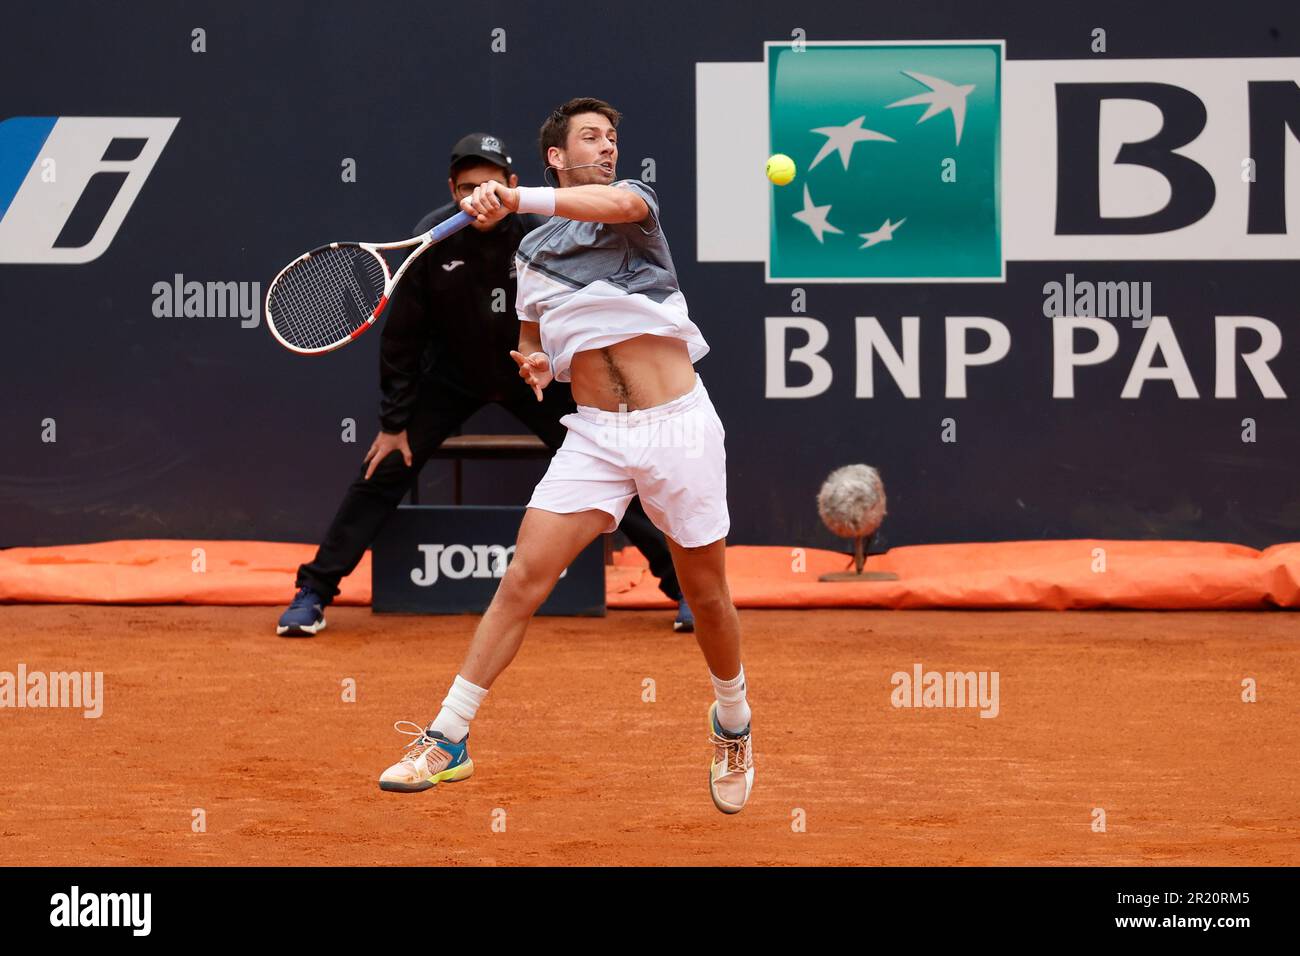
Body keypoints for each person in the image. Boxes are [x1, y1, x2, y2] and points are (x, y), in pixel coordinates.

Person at [377, 99, 753, 814]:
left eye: (612, 138)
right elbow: (532, 339)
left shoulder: (633, 205)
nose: (607, 148)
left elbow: (611, 203)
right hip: (595, 437)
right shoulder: (531, 255)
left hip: (677, 427)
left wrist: (514, 198)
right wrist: (537, 363)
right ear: (556, 154)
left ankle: (732, 720)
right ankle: (448, 737)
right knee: (524, 578)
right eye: (590, 137)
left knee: (705, 594)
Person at [277, 132, 693, 637]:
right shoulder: (432, 239)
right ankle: (314, 592)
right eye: (467, 187)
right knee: (385, 465)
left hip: (531, 377)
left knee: (613, 471)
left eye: (490, 185)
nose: (479, 196)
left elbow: (579, 313)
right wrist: (393, 424)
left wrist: (548, 363)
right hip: (452, 378)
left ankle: (684, 589)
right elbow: (402, 339)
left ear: (511, 184)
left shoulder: (541, 235)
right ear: (453, 190)